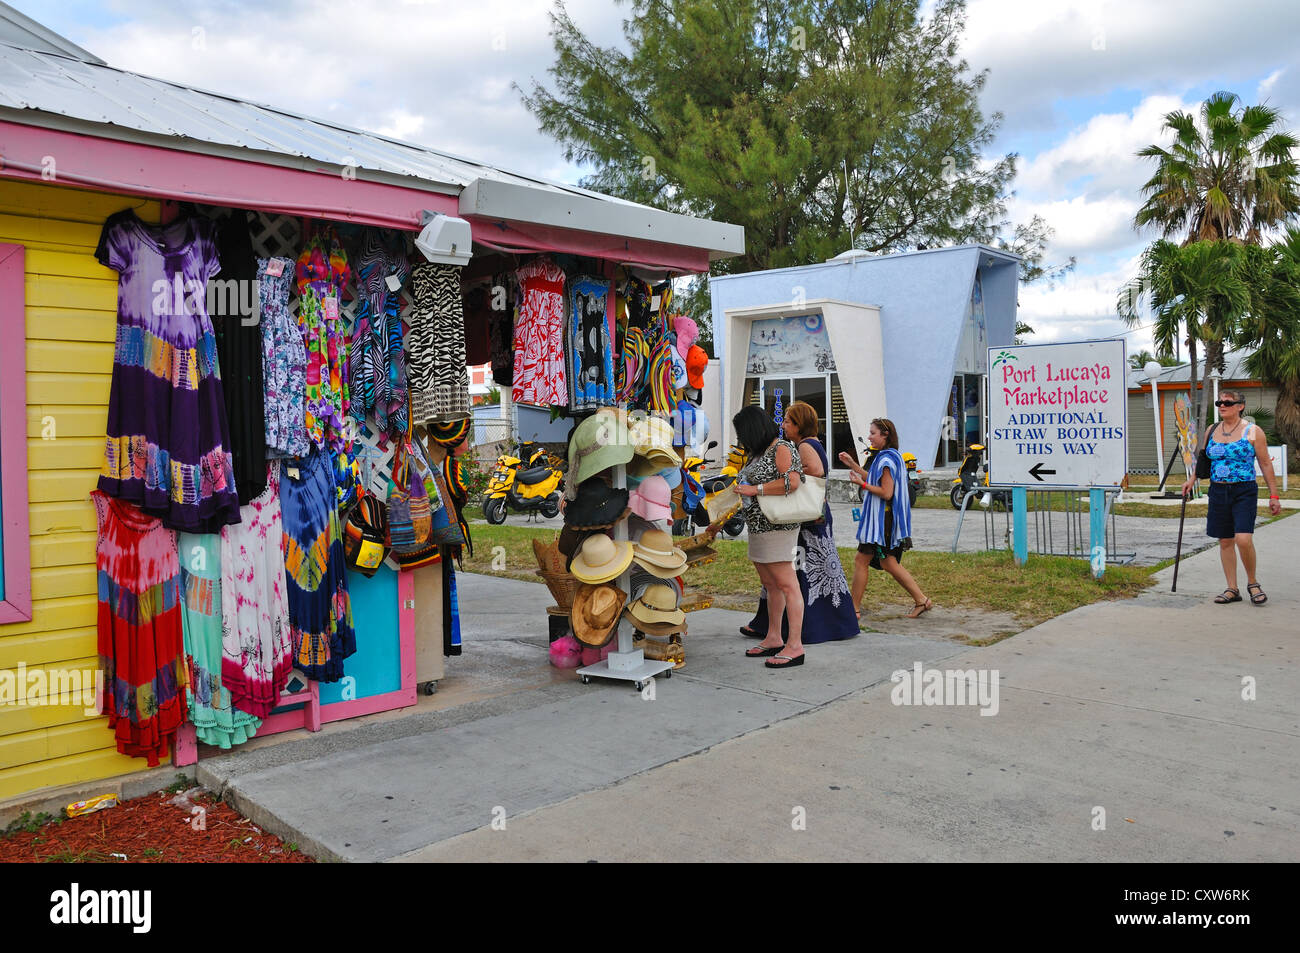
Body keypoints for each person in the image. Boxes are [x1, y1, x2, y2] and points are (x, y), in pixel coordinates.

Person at [740, 401, 858, 643]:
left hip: (803, 517)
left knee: (796, 574)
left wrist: (784, 474)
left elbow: (814, 471)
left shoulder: (803, 446)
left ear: (799, 425)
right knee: (805, 573)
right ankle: (808, 626)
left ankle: (802, 629)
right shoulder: (811, 444)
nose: (783, 425)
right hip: (811, 514)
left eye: (787, 421)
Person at [708, 405, 807, 668]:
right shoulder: (759, 453)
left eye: (743, 432)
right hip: (760, 528)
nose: (741, 438)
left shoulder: (781, 449)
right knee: (771, 585)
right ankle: (774, 636)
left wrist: (756, 489)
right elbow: (743, 493)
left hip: (778, 528)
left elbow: (792, 483)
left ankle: (795, 645)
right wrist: (719, 522)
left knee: (787, 584)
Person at [1180, 389, 1282, 605]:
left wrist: (1274, 495)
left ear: (1240, 406)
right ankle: (1232, 588)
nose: (1222, 406)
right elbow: (1203, 459)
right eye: (1219, 403)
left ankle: (1253, 583)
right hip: (1218, 490)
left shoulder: (1253, 431)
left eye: (1227, 402)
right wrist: (1192, 480)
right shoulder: (1212, 430)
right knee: (1225, 540)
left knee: (1243, 539)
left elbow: (1265, 463)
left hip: (1244, 490)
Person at [838, 418, 932, 619]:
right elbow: (874, 477)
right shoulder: (891, 456)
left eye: (873, 433)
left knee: (861, 560)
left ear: (885, 434)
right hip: (886, 521)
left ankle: (853, 609)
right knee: (888, 562)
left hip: (881, 523)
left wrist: (861, 485)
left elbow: (886, 492)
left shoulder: (886, 460)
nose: (870, 437)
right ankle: (922, 600)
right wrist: (853, 465)